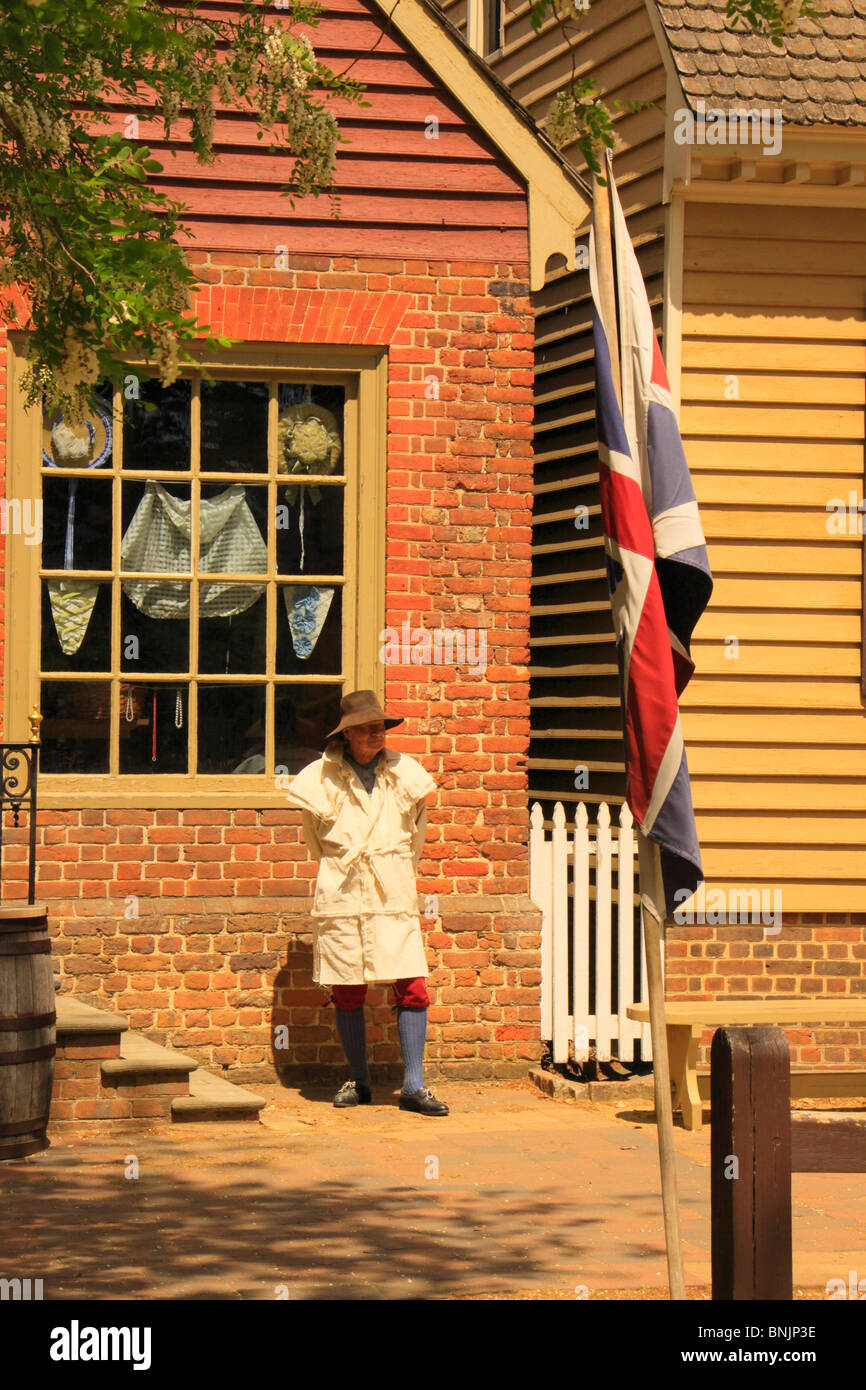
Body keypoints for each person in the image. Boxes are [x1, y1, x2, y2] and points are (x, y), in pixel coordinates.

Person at [284, 689, 449, 1116]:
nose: (377, 734)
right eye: (367, 728)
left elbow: (416, 837)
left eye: (381, 727)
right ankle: (359, 1080)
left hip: (392, 887)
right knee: (347, 987)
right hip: (341, 888)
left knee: (412, 984)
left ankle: (414, 1085)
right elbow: (315, 843)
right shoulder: (320, 778)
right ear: (348, 734)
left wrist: (392, 868)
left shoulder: (405, 774)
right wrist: (347, 866)